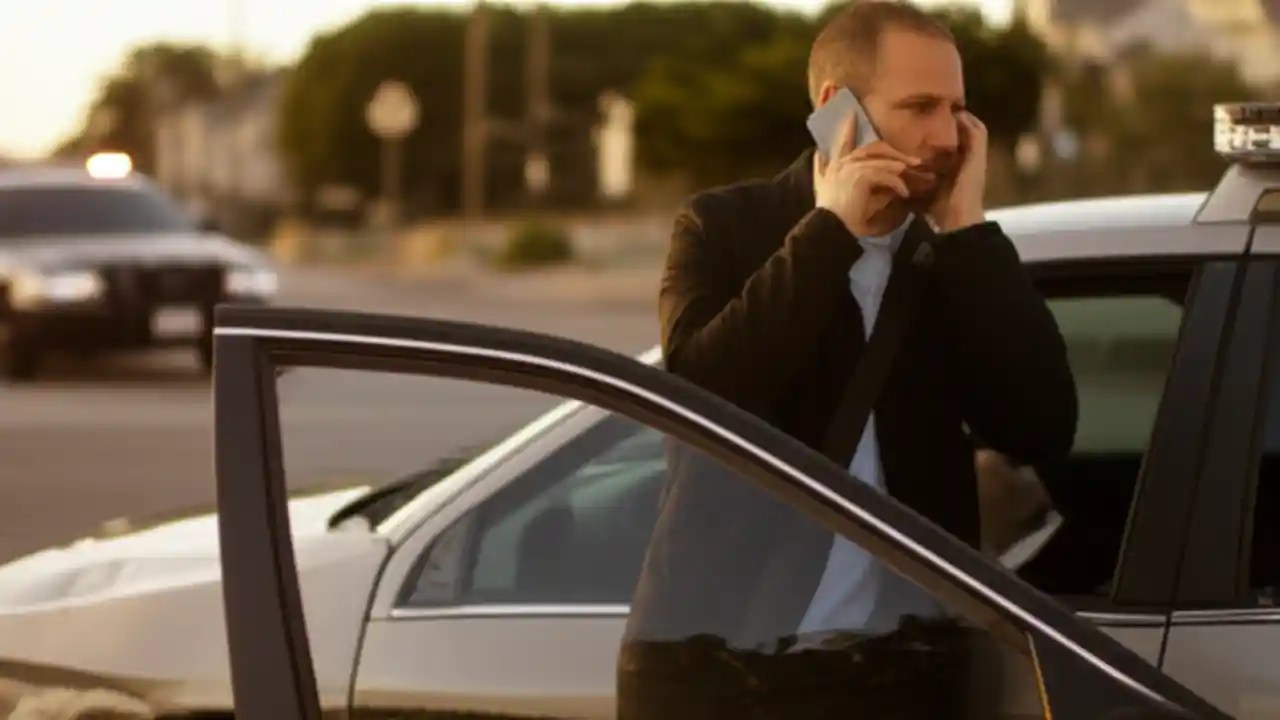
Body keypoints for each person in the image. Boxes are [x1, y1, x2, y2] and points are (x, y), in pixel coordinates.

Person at [619, 1, 1078, 717]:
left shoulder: (952, 261)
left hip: (906, 678)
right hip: (729, 670)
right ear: (839, 110)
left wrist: (967, 231)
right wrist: (829, 233)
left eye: (958, 111)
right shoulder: (724, 227)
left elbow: (1040, 426)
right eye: (920, 108)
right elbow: (704, 400)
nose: (945, 138)